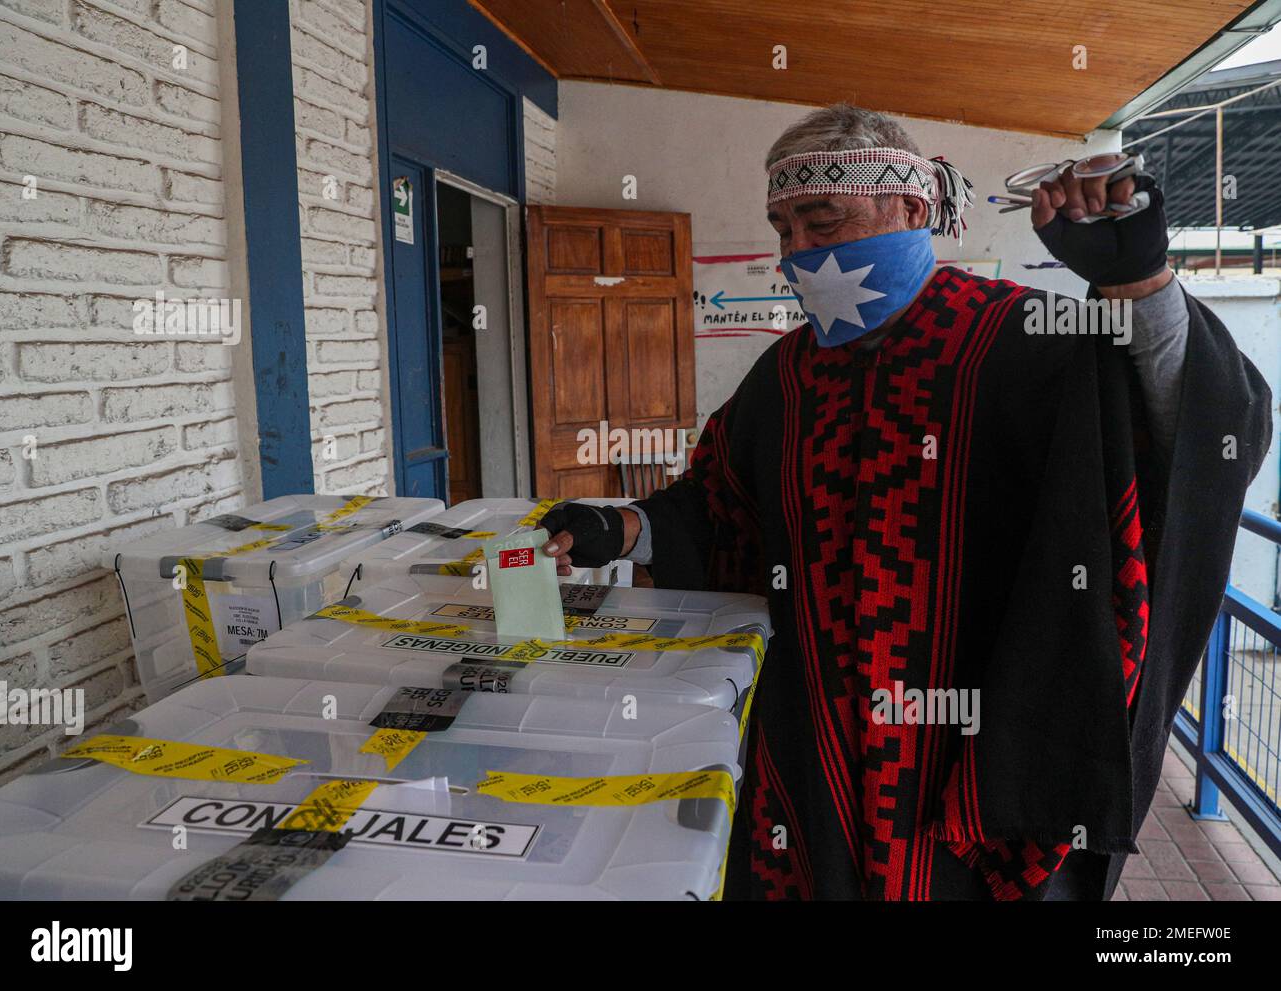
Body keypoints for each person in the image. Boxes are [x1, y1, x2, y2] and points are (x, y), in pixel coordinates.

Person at [538, 104, 1271, 900]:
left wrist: (1142, 288)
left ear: (913, 208)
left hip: (976, 761)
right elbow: (720, 509)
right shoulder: (786, 376)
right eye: (784, 228)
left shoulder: (1021, 340)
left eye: (823, 221)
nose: (798, 250)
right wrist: (621, 526)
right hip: (813, 751)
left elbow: (1196, 437)